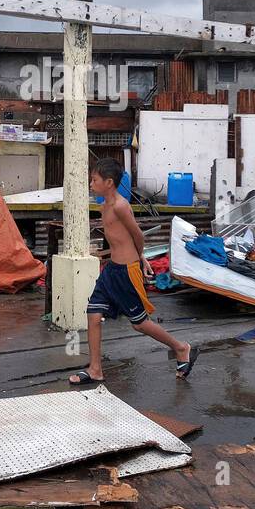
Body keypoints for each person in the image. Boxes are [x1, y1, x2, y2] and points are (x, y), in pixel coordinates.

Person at [69, 158, 199, 384]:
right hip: (111, 271)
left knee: (139, 323)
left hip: (126, 272)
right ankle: (95, 369)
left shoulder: (120, 206)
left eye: (94, 180)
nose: (90, 184)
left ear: (109, 182)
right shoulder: (104, 205)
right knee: (93, 313)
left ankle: (181, 348)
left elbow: (137, 235)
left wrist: (140, 259)